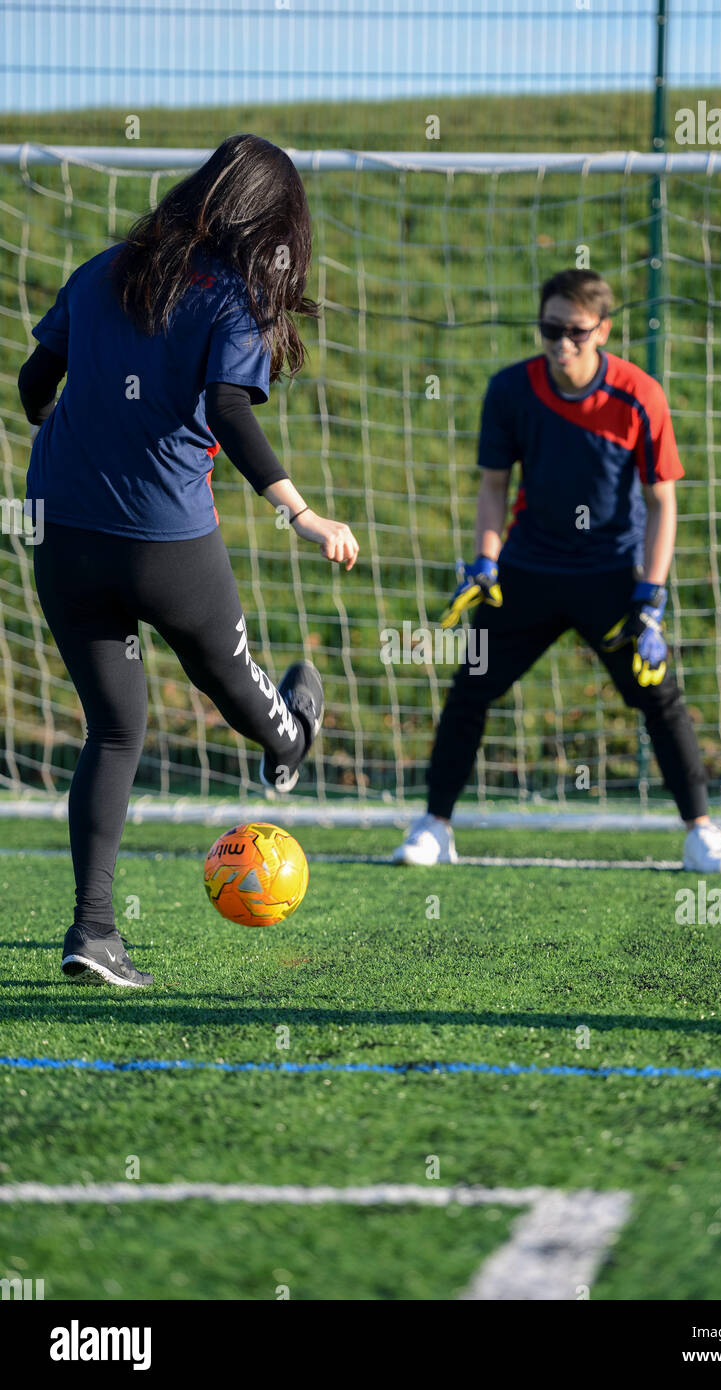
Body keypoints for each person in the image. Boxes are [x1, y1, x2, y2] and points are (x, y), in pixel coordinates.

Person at [18, 134, 359, 988]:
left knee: (114, 729)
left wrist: (68, 419)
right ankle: (294, 738)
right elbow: (228, 410)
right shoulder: (231, 298)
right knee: (232, 682)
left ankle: (93, 931)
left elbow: (33, 382)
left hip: (60, 530)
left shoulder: (102, 270)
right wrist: (303, 512)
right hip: (162, 540)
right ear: (267, 223)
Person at [393, 268, 721, 874]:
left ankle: (702, 834)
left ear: (603, 329)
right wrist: (485, 561)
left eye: (576, 331)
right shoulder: (510, 390)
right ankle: (434, 826)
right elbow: (493, 486)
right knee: (470, 687)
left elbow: (663, 503)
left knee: (660, 699)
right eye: (550, 328)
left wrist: (650, 598)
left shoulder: (641, 395)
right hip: (528, 568)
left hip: (612, 572)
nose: (562, 343)